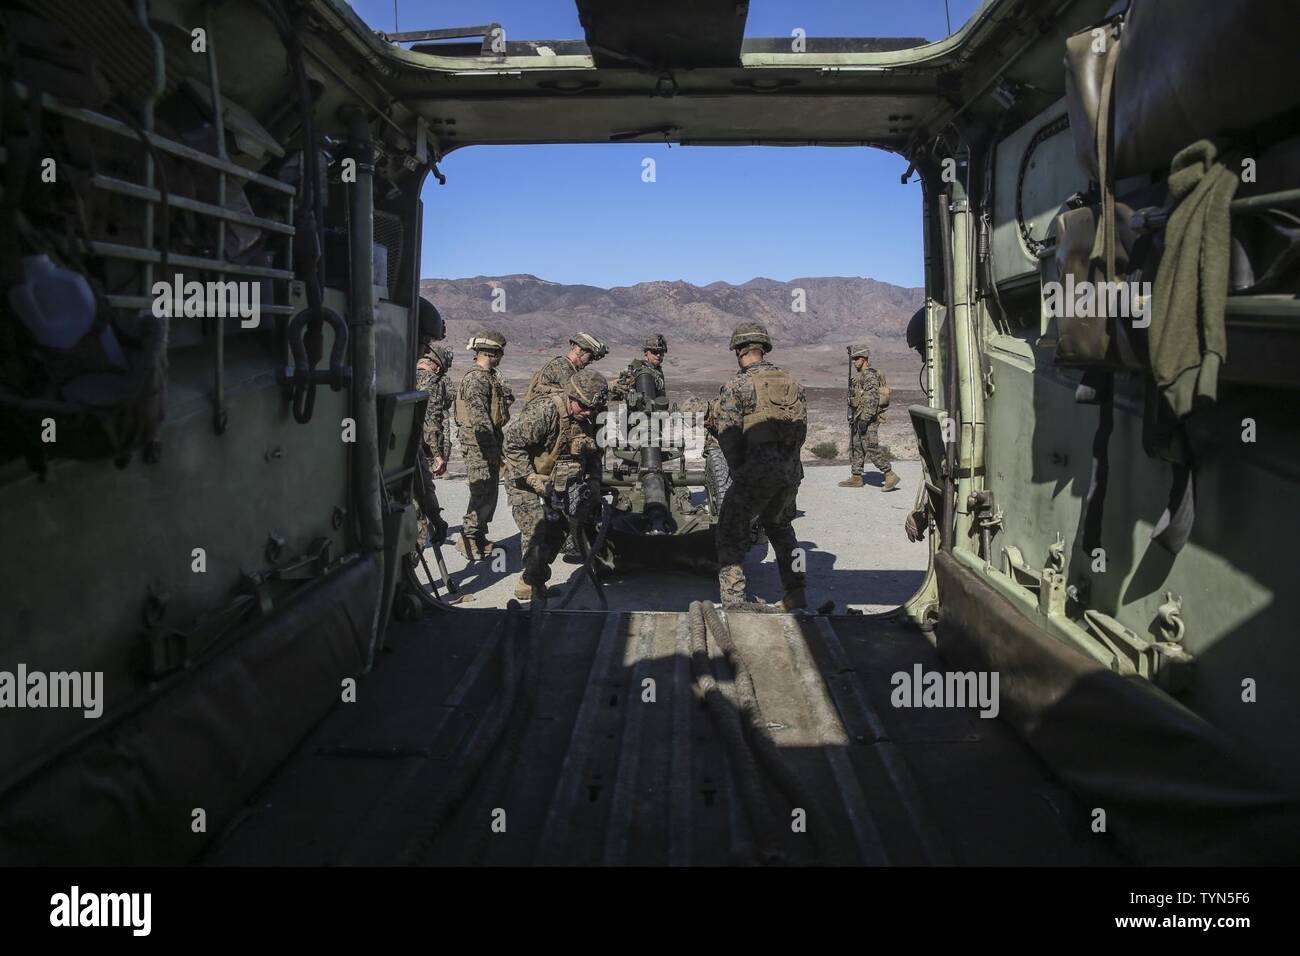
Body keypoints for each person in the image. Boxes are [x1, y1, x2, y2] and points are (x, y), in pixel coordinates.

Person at [713, 321, 808, 610]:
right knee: (781, 529)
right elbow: (802, 429)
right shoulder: (792, 380)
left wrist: (741, 471)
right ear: (763, 348)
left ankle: (734, 602)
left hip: (757, 470)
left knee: (730, 530)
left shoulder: (737, 384)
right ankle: (797, 592)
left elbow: (728, 435)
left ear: (740, 350)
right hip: (790, 471)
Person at [503, 368, 608, 602]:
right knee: (536, 532)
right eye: (584, 406)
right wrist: (532, 479)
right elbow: (511, 444)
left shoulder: (593, 416)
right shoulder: (546, 411)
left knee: (560, 530)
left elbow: (595, 453)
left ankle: (531, 579)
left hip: (560, 482)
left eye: (593, 408)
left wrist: (594, 481)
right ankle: (534, 589)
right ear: (572, 397)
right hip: (525, 481)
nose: (588, 412)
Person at [453, 330, 514, 560]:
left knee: (489, 492)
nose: (501, 357)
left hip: (487, 443)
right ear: (491, 352)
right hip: (479, 445)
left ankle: (478, 536)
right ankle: (467, 538)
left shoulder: (488, 376)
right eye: (499, 352)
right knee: (481, 491)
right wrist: (492, 451)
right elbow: (479, 419)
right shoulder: (477, 379)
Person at [839, 344, 899, 491]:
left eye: (856, 359)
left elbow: (872, 399)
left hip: (868, 418)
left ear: (864, 359)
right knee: (856, 446)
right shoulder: (860, 376)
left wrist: (865, 419)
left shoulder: (869, 375)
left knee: (870, 448)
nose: (854, 362)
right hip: (858, 416)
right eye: (853, 359)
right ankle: (856, 477)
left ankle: (890, 474)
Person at [413, 341, 453, 552]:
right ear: (437, 365)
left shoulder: (403, 373)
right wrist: (438, 454)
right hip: (414, 450)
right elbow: (431, 420)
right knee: (422, 495)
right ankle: (414, 554)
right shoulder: (432, 381)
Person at [522, 332, 608, 405]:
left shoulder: (570, 367)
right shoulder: (561, 367)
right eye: (590, 357)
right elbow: (578, 396)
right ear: (579, 350)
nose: (590, 361)